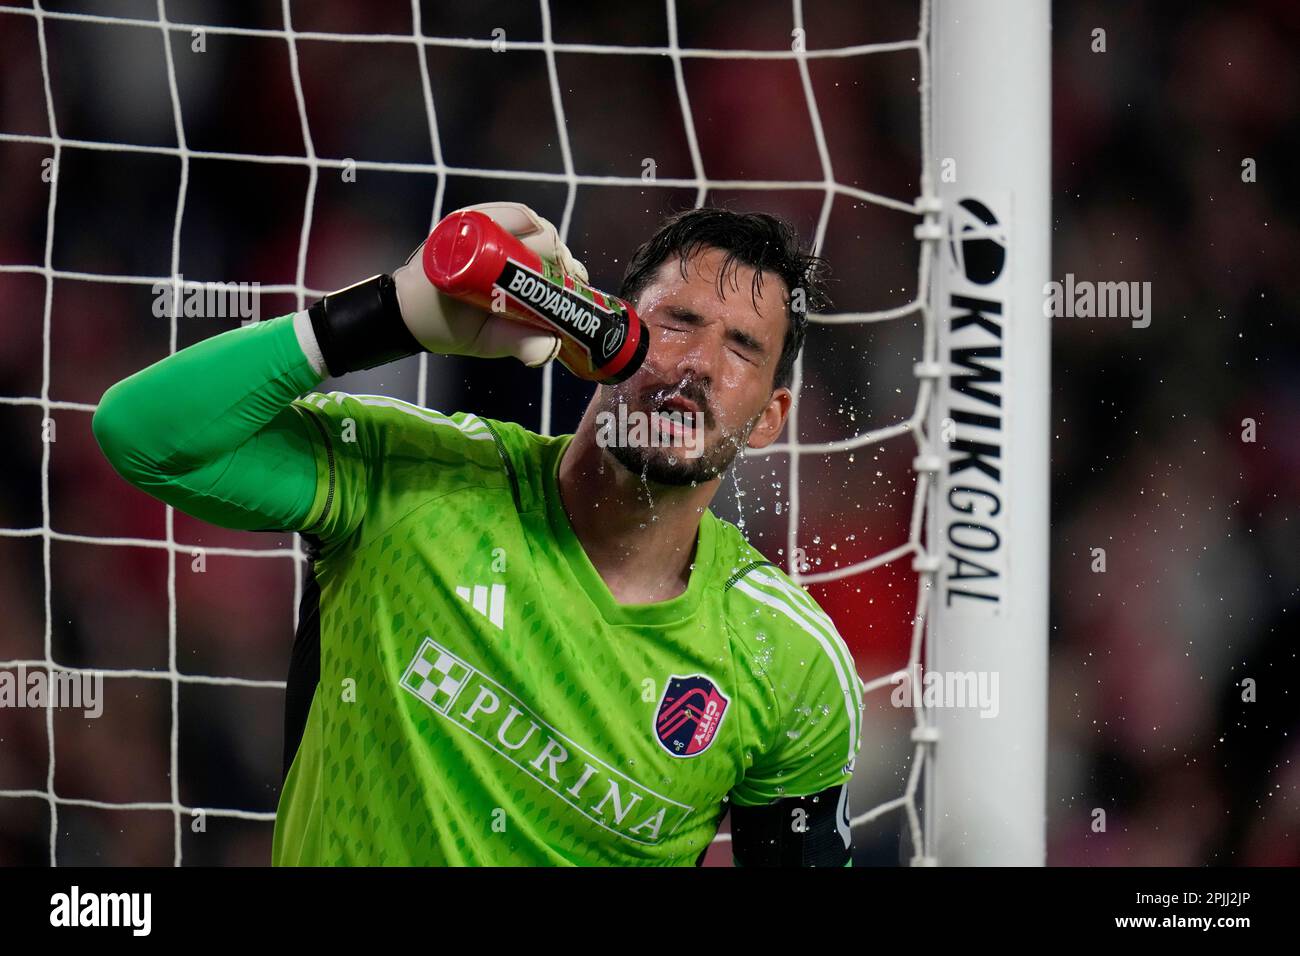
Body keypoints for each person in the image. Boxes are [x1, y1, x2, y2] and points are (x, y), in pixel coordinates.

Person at [93, 202, 866, 866]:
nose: (696, 364)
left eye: (740, 349)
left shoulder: (790, 664)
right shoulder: (411, 478)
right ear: (598, 332)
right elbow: (141, 434)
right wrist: (389, 315)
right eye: (677, 322)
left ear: (770, 418)